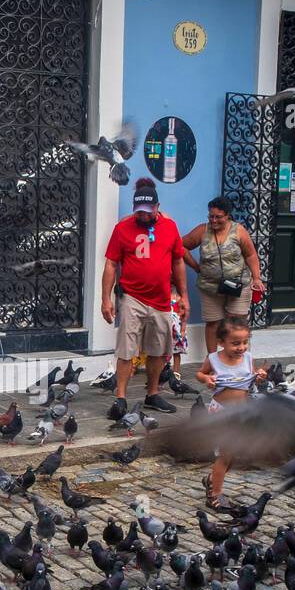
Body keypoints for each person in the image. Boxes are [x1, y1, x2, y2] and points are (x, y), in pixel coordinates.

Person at [101, 177, 189, 419]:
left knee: (158, 350)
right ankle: (120, 398)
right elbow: (111, 264)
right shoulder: (123, 228)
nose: (142, 215)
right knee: (126, 349)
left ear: (157, 207)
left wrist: (183, 296)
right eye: (138, 211)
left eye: (147, 211)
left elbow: (178, 261)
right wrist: (106, 299)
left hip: (160, 300)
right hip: (132, 297)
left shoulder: (170, 227)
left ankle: (152, 394)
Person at [194, 316, 267, 508]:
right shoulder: (214, 359)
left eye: (245, 342)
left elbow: (250, 381)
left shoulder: (248, 358)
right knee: (225, 455)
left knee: (234, 456)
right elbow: (200, 373)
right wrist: (206, 379)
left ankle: (211, 480)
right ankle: (215, 496)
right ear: (221, 342)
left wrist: (259, 377)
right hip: (221, 413)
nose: (241, 347)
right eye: (235, 343)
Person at [181, 197, 264, 355]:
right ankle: (212, 361)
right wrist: (196, 267)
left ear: (228, 216)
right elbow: (180, 245)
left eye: (218, 217)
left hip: (238, 285)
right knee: (213, 323)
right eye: (211, 216)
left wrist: (257, 277)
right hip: (210, 287)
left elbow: (251, 255)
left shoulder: (238, 230)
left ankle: (237, 360)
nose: (214, 220)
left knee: (237, 324)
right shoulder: (202, 231)